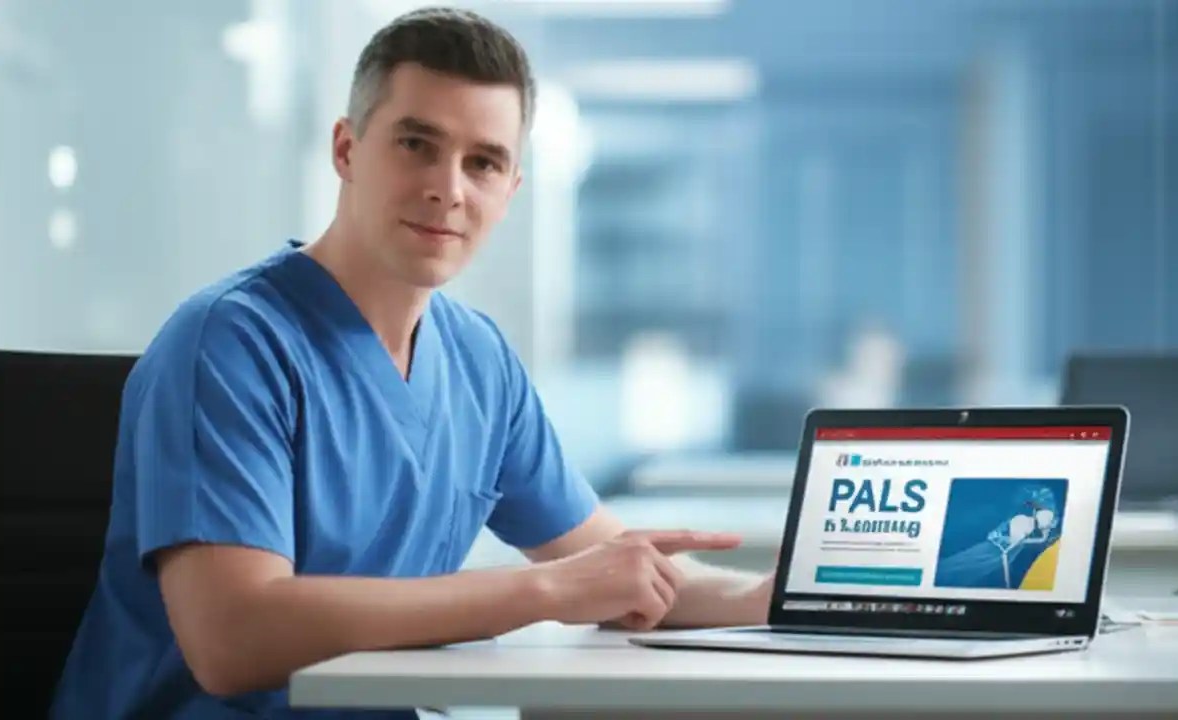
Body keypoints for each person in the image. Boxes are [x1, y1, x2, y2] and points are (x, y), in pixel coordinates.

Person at [50, 7, 772, 719]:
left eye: (482, 162)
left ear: (510, 190)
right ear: (345, 149)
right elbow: (232, 637)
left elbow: (617, 570)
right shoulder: (231, 344)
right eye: (416, 144)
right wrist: (546, 593)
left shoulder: (480, 364)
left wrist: (774, 594)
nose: (447, 189)